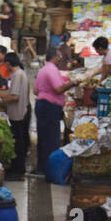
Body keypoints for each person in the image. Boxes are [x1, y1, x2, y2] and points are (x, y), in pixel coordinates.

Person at [0, 51, 30, 176]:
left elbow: (14, 97)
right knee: (19, 143)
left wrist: (1, 100)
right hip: (22, 112)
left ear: (8, 63)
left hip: (17, 114)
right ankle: (17, 168)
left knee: (17, 144)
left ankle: (17, 170)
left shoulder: (17, 75)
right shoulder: (21, 73)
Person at [34, 45, 73, 177]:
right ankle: (49, 169)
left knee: (44, 138)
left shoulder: (44, 69)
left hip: (43, 105)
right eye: (59, 57)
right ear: (54, 57)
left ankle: (42, 167)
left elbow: (35, 90)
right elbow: (58, 89)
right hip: (49, 107)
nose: (60, 59)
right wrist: (73, 83)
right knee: (50, 139)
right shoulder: (51, 70)